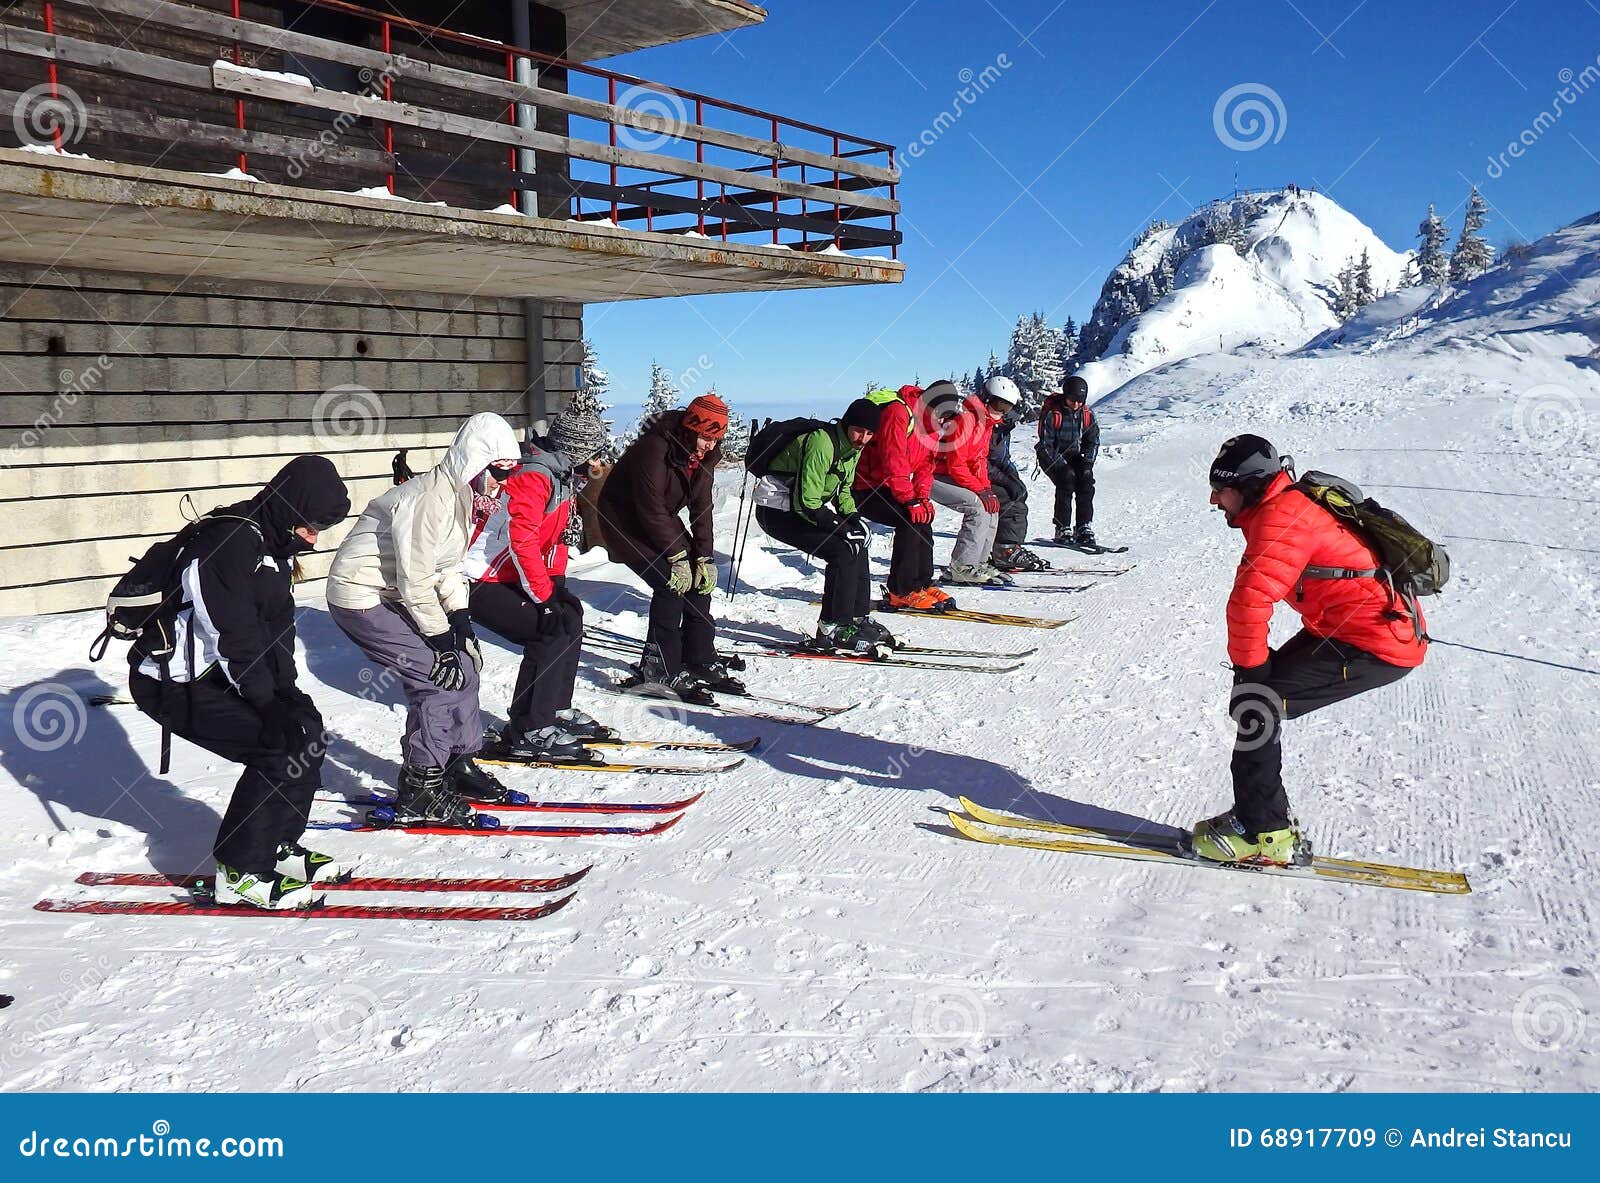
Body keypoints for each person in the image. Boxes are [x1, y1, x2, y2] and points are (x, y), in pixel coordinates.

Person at [128, 456, 351, 910]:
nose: (313, 537)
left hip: (216, 671)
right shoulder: (229, 543)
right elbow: (233, 636)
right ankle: (239, 869)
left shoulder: (271, 548)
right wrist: (266, 705)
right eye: (310, 525)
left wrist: (285, 693)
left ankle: (279, 843)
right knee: (276, 744)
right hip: (172, 681)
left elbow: (276, 630)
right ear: (291, 508)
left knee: (305, 726)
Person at [1196, 434, 1428, 864]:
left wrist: (1250, 672)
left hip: (1374, 643)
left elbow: (1248, 601)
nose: (1214, 500)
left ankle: (1262, 832)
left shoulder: (1282, 518)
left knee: (1256, 704)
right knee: (1257, 701)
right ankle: (1266, 820)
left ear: (1246, 488)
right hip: (1354, 630)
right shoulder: (1286, 504)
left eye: (1220, 489)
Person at [326, 412, 522, 825]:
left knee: (466, 663)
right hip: (360, 593)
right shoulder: (426, 499)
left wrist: (461, 621)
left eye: (510, 474)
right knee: (435, 677)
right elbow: (416, 580)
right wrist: (439, 638)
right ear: (476, 461)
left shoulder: (461, 496)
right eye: (500, 473)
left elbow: (447, 568)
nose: (504, 484)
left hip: (396, 592)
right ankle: (421, 785)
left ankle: (458, 762)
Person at [465, 408, 615, 763]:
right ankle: (530, 727)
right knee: (546, 630)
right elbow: (523, 542)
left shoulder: (561, 474)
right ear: (576, 450)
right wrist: (544, 597)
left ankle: (555, 709)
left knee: (570, 616)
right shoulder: (535, 476)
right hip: (476, 577)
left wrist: (557, 588)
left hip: (508, 573)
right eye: (593, 452)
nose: (597, 461)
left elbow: (557, 539)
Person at [598, 393, 743, 701]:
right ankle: (659, 666)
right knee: (670, 582)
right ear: (691, 429)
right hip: (624, 521)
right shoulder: (654, 448)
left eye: (715, 439)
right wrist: (676, 555)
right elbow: (648, 508)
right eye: (705, 437)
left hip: (660, 519)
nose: (710, 446)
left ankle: (699, 656)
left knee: (698, 580)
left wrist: (704, 556)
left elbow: (702, 509)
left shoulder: (704, 457)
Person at [755, 399, 892, 653]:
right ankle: (832, 627)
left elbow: (843, 491)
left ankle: (856, 618)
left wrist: (853, 519)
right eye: (859, 430)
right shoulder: (822, 443)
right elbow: (807, 502)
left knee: (858, 542)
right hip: (776, 512)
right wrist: (839, 528)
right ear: (847, 424)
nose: (863, 438)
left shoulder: (852, 446)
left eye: (870, 433)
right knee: (840, 551)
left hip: (800, 508)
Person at [851, 385, 955, 611]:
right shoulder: (899, 412)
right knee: (909, 519)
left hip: (890, 486)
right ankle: (901, 590)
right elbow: (893, 459)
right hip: (864, 488)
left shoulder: (931, 426)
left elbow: (927, 465)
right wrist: (910, 500)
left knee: (923, 518)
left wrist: (922, 498)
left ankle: (922, 584)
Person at [980, 377, 1050, 572]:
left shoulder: (1001, 427)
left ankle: (1008, 547)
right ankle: (1005, 551)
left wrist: (1013, 477)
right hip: (971, 474)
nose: (1002, 411)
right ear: (987, 398)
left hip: (986, 472)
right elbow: (979, 460)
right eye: (999, 405)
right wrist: (1005, 481)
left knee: (1016, 496)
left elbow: (1002, 458)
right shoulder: (980, 422)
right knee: (1007, 499)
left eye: (1007, 407)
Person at [1037, 375, 1101, 546]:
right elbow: (1045, 444)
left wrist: (1087, 461)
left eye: (1080, 401)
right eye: (1072, 400)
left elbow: (1092, 440)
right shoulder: (1053, 414)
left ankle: (1083, 526)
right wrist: (1060, 465)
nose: (1076, 405)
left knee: (1086, 480)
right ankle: (1062, 527)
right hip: (1051, 456)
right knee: (1066, 480)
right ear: (1066, 396)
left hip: (1075, 455)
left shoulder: (1087, 415)